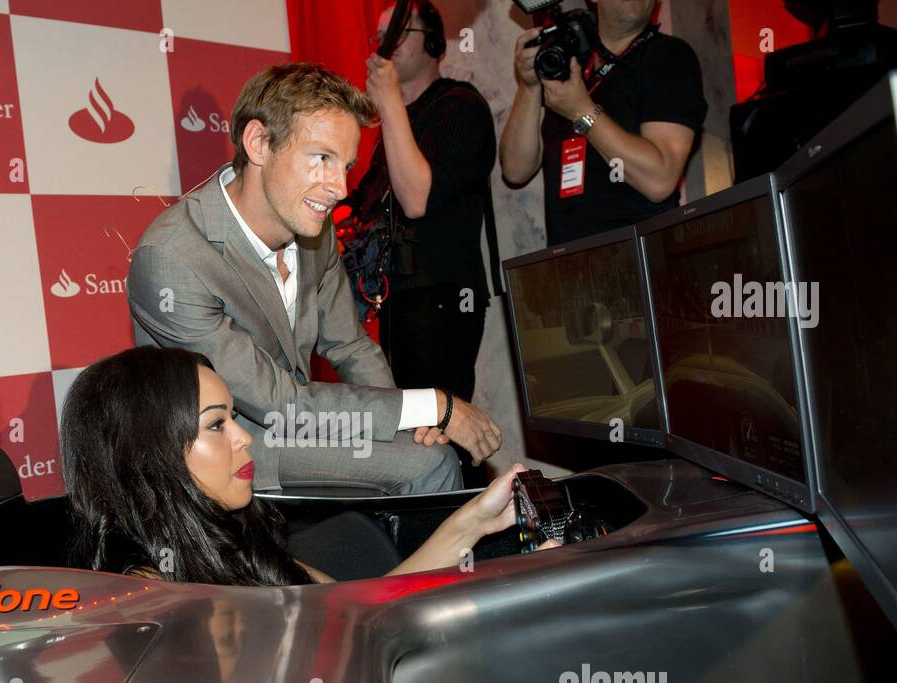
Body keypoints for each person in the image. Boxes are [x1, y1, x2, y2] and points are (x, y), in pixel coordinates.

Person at [127, 63, 503, 498]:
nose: (340, 188)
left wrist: (410, 422)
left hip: (295, 425)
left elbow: (349, 346)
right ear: (259, 143)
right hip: (218, 450)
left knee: (416, 448)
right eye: (321, 159)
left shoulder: (313, 228)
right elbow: (279, 404)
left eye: (346, 165)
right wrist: (432, 405)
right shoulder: (173, 257)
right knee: (430, 464)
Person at [60, 346, 556, 587]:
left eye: (235, 418)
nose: (244, 437)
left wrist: (471, 523)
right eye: (217, 426)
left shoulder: (237, 540)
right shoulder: (150, 596)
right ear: (152, 457)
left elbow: (367, 608)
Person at [351, 0, 503, 417]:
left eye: (400, 33)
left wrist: (388, 101)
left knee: (439, 429)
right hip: (400, 297)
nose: (386, 45)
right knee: (411, 431)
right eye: (380, 37)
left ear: (434, 42)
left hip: (442, 298)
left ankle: (470, 485)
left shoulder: (459, 105)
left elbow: (416, 198)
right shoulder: (400, 122)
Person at [498, 0, 707, 245]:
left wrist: (581, 110)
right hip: (569, 267)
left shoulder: (668, 56)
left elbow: (660, 179)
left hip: (643, 262)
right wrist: (529, 85)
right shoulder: (570, 65)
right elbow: (515, 170)